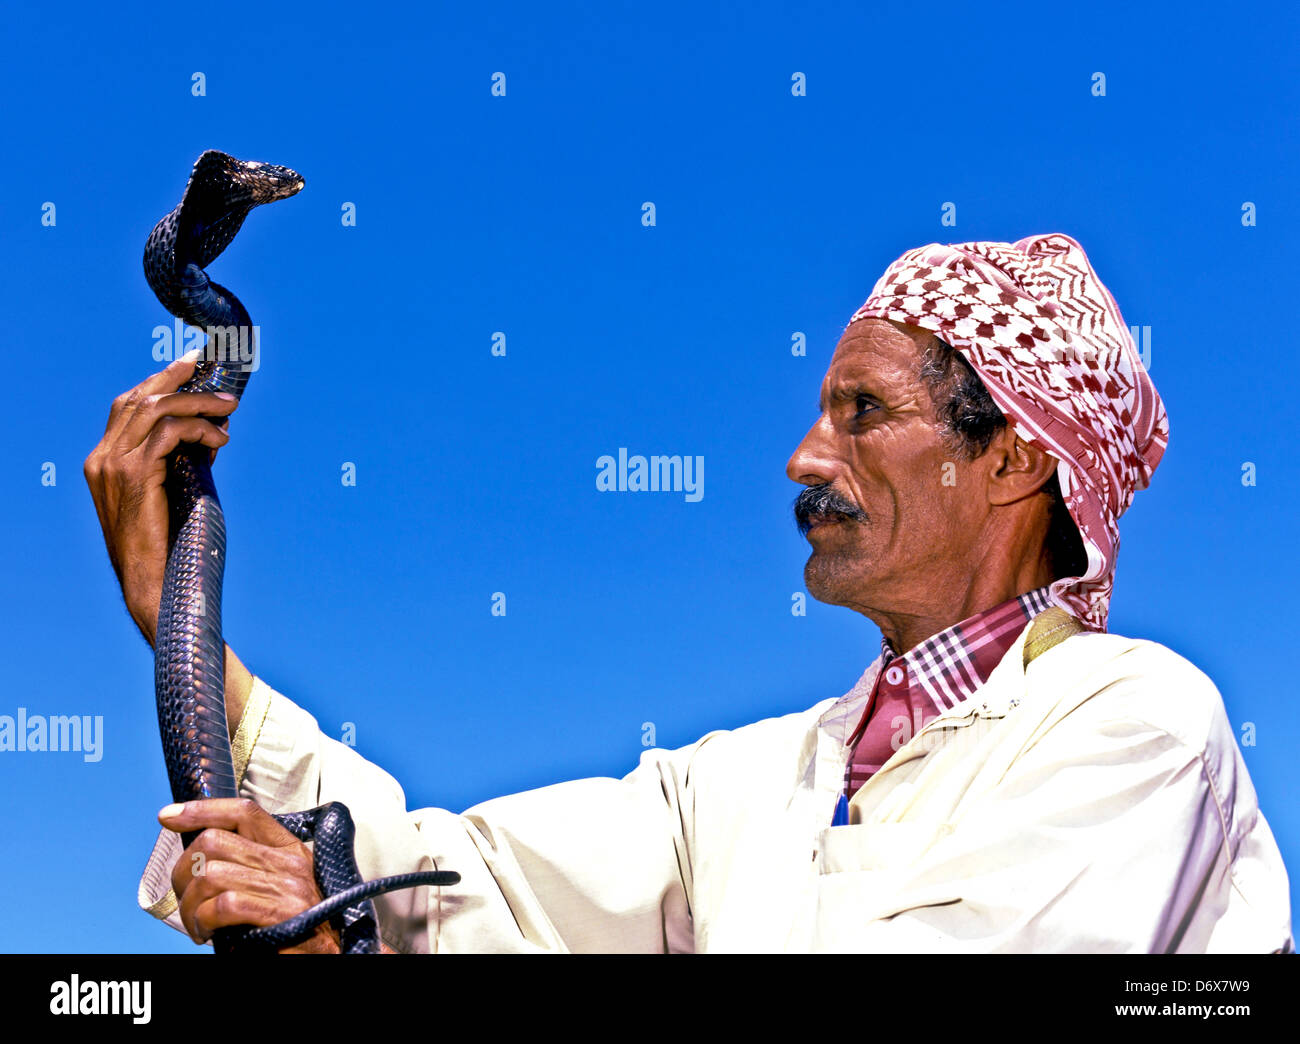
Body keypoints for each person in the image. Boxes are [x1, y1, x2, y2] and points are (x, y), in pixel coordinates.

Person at [86, 233, 1293, 953]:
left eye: (863, 412)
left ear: (1012, 459)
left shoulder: (1135, 722)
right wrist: (182, 629)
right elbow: (463, 889)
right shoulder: (742, 781)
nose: (805, 457)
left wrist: (341, 921)